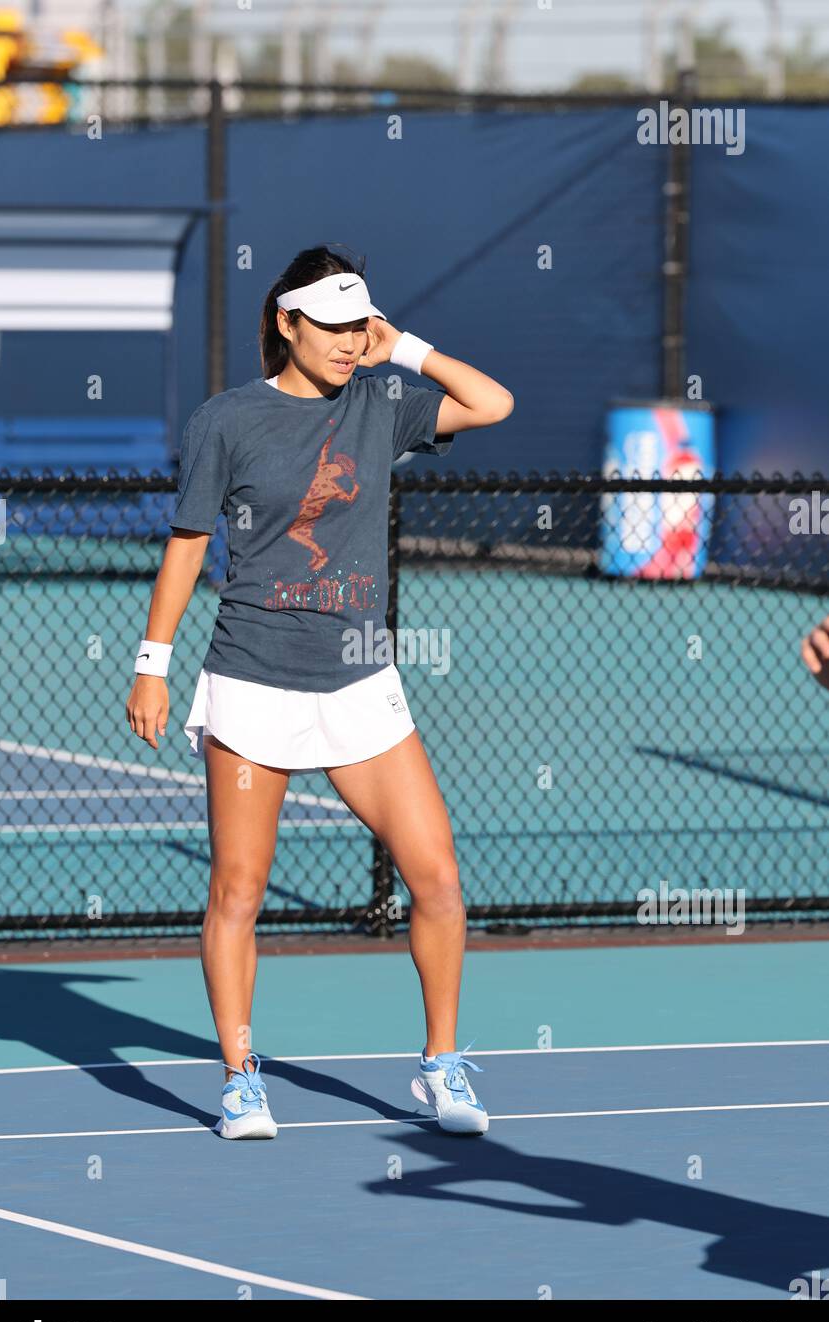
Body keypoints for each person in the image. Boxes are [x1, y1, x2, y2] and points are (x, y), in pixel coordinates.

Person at [126, 245, 514, 1139]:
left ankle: (441, 1066)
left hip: (361, 685)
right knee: (238, 888)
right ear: (285, 323)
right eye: (333, 328)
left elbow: (493, 404)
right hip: (253, 681)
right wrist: (153, 663)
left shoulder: (381, 402)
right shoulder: (226, 421)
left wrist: (404, 347)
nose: (348, 343)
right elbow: (187, 545)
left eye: (358, 326)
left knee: (439, 881)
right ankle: (239, 1077)